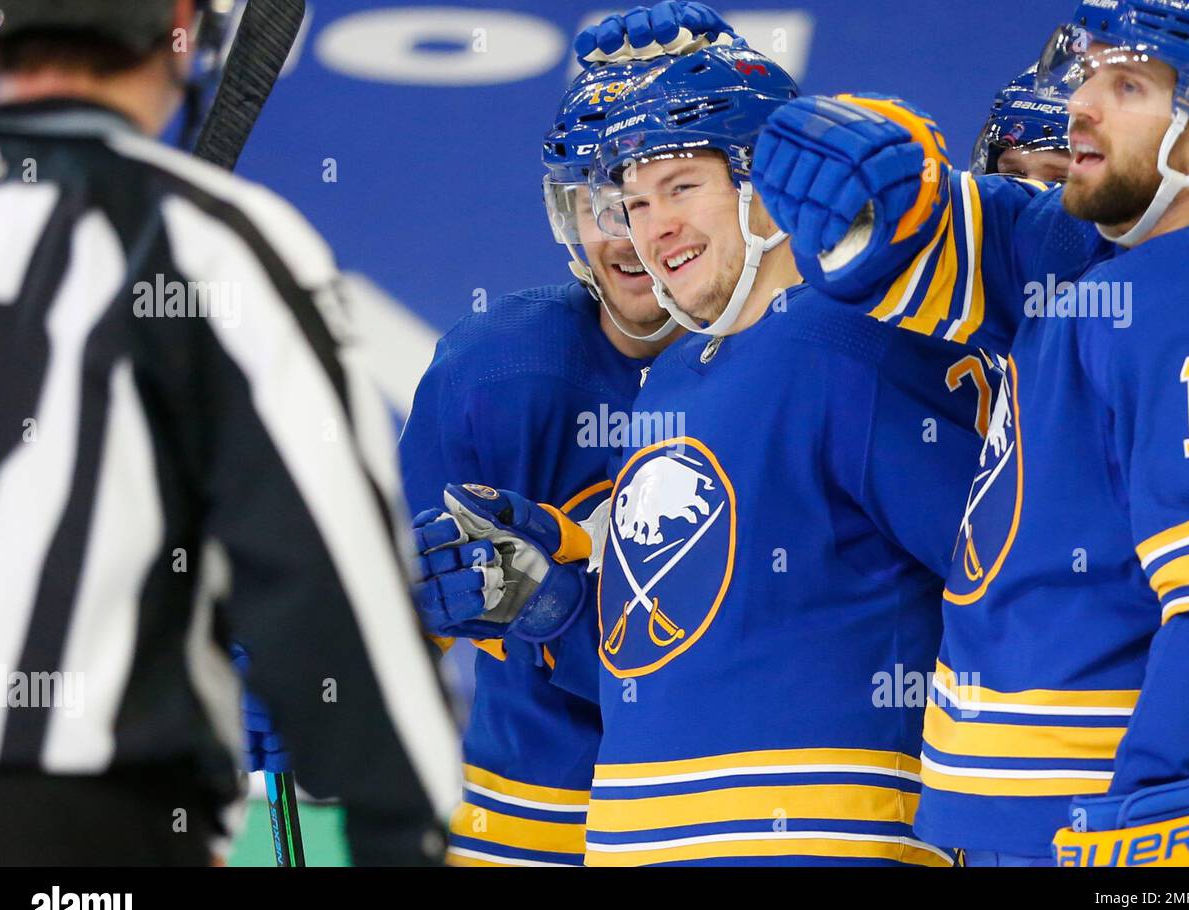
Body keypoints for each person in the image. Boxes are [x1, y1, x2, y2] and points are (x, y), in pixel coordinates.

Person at [413, 42, 988, 866]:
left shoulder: (860, 346)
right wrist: (550, 603)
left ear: (772, 186)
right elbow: (665, 657)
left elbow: (1000, 584)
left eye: (682, 186)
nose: (654, 228)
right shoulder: (679, 375)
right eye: (635, 201)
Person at [751, 0, 1189, 865]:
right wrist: (878, 188)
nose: (1083, 104)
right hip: (997, 824)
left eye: (1129, 84)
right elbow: (956, 238)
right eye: (1089, 76)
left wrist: (1156, 802)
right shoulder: (1102, 256)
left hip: (1099, 829)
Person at [0, 0, 460, 865]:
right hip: (80, 823)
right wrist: (404, 825)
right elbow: (328, 581)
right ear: (180, 24)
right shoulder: (210, 246)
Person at [399, 58, 682, 867]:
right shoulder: (493, 368)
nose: (630, 233)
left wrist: (563, 609)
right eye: (602, 202)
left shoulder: (803, 364)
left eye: (665, 192)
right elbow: (402, 606)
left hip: (732, 813)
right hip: (529, 820)